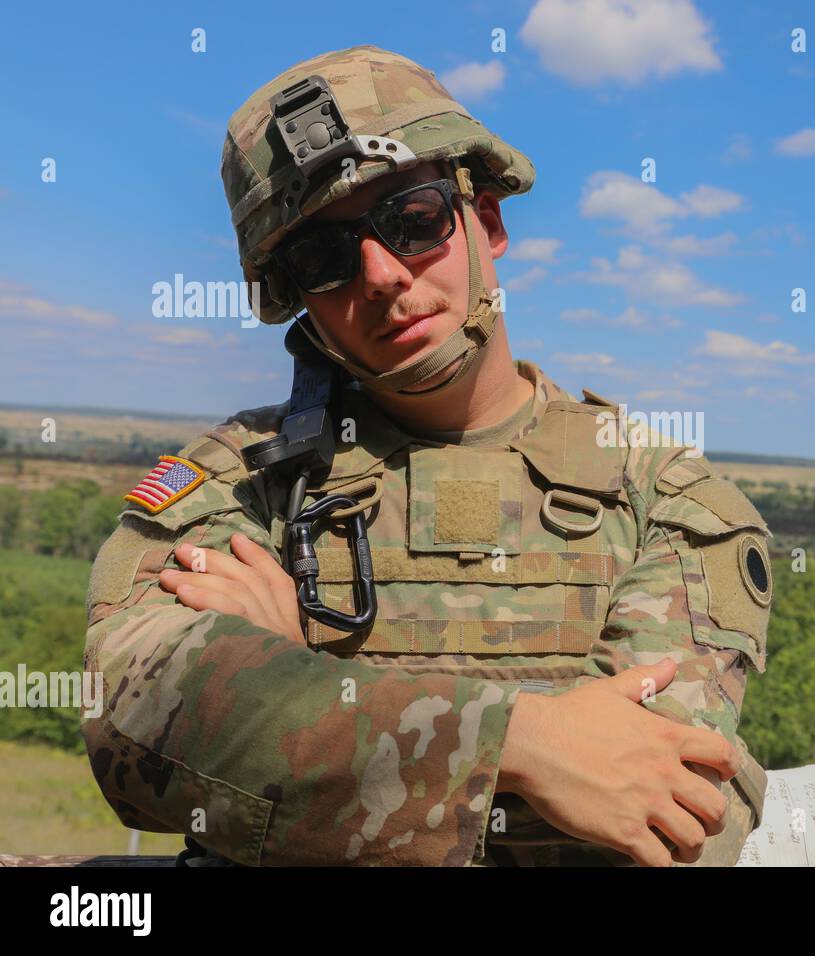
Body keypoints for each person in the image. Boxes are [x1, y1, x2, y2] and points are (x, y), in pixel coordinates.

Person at [82, 45, 773, 867]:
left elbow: (657, 804)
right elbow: (137, 728)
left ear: (488, 222)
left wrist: (293, 682)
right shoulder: (242, 483)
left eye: (412, 219)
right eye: (322, 258)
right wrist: (528, 741)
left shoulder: (668, 498)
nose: (379, 275)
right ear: (296, 296)